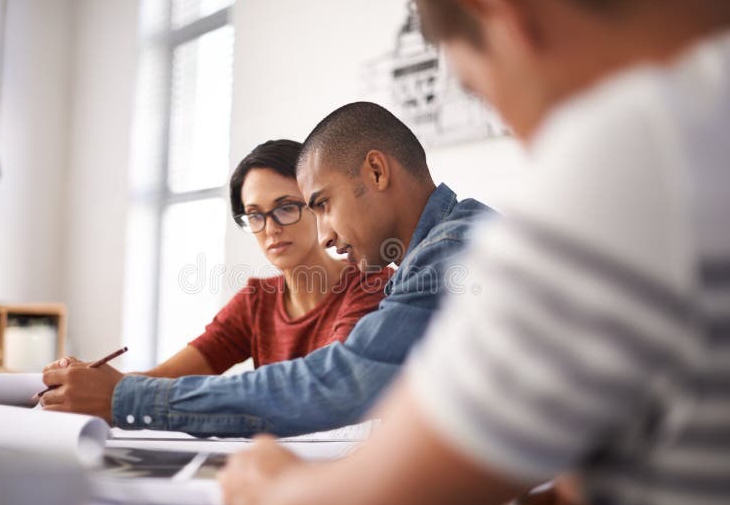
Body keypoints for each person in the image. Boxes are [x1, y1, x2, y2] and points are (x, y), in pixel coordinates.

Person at [217, 0, 730, 505]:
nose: (512, 129)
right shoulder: (692, 130)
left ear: (505, 15)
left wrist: (271, 487)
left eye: (477, 89)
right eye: (253, 216)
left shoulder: (639, 144)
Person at [40, 102, 494, 436]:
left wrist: (124, 398)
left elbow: (340, 384)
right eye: (253, 215)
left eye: (319, 205)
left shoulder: (449, 252)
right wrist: (101, 387)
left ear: (376, 172)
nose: (326, 235)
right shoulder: (440, 249)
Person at [41, 140, 391, 387]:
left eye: (285, 207)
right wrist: (99, 379)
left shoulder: (371, 285)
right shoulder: (256, 302)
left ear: (316, 204)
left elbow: (317, 384)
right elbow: (164, 377)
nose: (270, 228)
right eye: (255, 215)